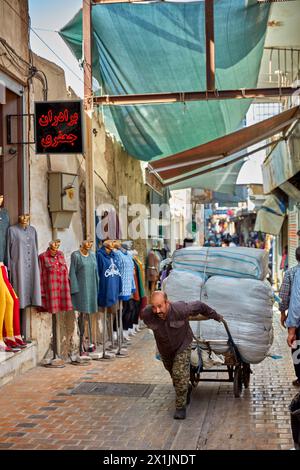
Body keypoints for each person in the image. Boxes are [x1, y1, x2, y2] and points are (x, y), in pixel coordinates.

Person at [141, 291, 223, 419]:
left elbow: (200, 305)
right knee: (174, 375)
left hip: (182, 345)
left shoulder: (180, 309)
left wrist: (215, 316)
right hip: (165, 350)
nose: (157, 310)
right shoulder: (147, 314)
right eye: (154, 307)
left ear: (167, 303)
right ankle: (186, 387)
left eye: (160, 306)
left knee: (179, 374)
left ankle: (180, 407)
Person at [279, 247, 300, 387]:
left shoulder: (291, 273)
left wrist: (282, 313)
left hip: (297, 318)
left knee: (297, 347)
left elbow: (284, 296)